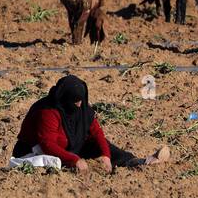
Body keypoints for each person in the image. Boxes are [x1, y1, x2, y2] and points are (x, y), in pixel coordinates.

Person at [12, 74, 170, 174]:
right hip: (37, 151)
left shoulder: (83, 109)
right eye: (75, 101)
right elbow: (48, 144)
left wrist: (106, 156)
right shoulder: (47, 111)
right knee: (55, 164)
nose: (79, 105)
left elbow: (97, 132)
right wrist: (74, 160)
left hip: (71, 146)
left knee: (101, 145)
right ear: (65, 99)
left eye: (81, 100)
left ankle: (138, 162)